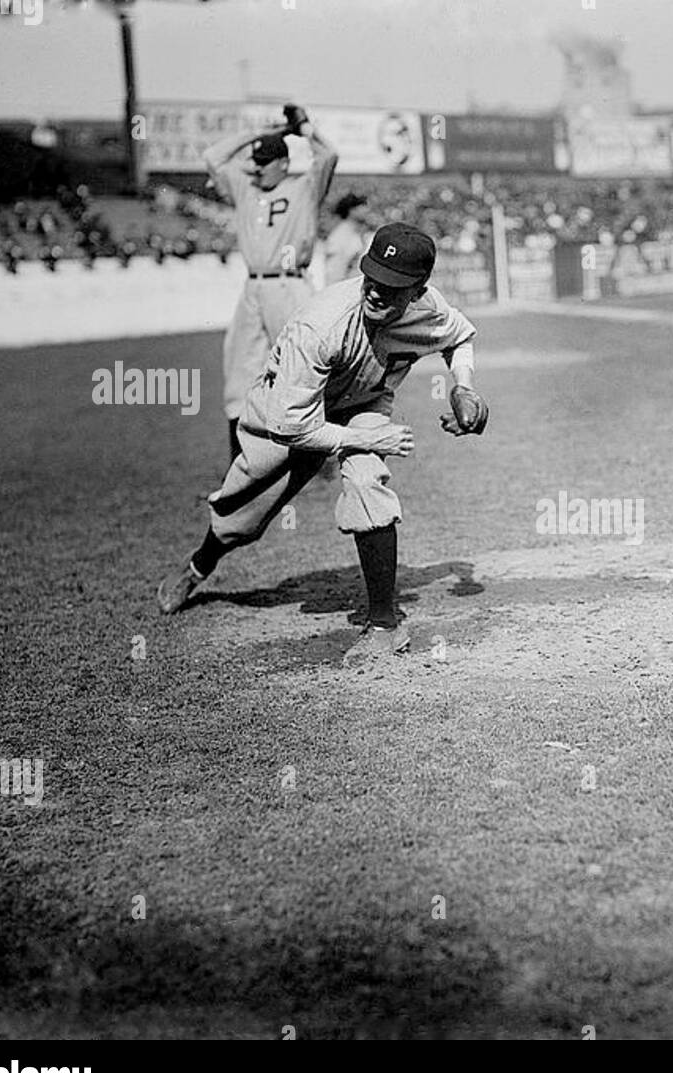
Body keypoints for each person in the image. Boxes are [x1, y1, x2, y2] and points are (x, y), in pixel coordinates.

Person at [156, 222, 488, 670]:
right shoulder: (322, 323)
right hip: (286, 408)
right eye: (372, 279)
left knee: (367, 481)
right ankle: (198, 567)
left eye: (391, 288)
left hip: (364, 402)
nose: (375, 292)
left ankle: (385, 626)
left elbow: (461, 336)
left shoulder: (427, 309)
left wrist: (464, 387)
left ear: (417, 291)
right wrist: (360, 436)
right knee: (241, 511)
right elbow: (291, 425)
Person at [204, 103, 338, 463]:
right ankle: (242, 460)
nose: (256, 167)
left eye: (264, 161)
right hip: (254, 286)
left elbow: (330, 154)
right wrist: (266, 133)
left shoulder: (304, 186)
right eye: (255, 161)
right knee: (240, 368)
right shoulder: (246, 188)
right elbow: (213, 156)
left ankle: (315, 450)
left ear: (283, 163)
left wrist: (303, 128)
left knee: (302, 367)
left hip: (290, 284)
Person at [324, 192, 373, 283]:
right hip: (342, 289)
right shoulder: (340, 235)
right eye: (362, 207)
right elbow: (334, 271)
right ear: (352, 211)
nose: (367, 210)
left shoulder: (355, 234)